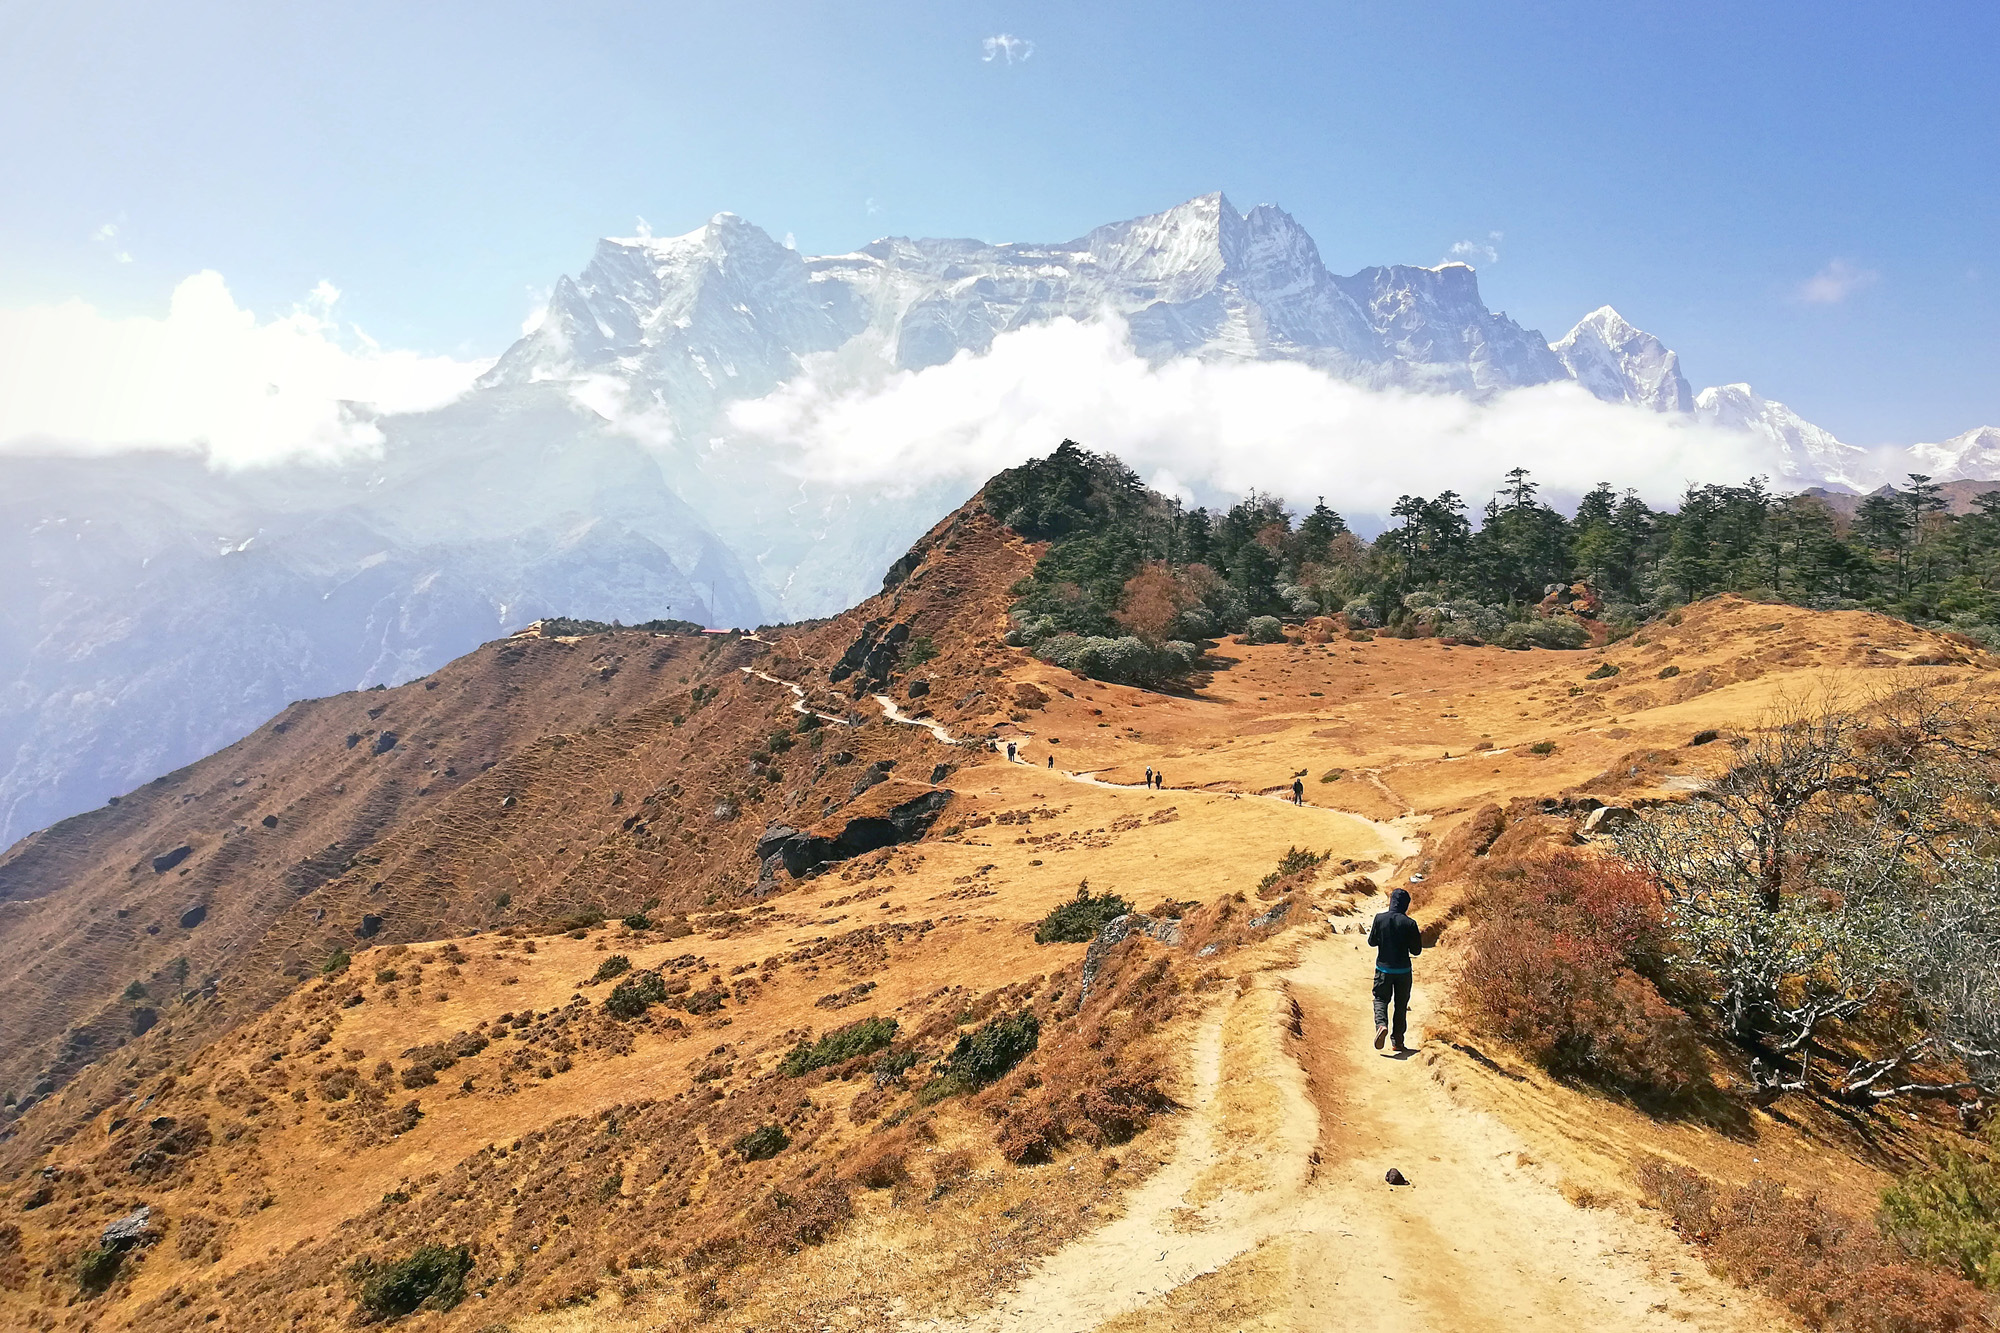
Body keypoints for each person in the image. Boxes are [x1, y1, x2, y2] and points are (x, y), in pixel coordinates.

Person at [1366, 888, 1423, 1053]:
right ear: (1406, 905)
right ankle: (1397, 1041)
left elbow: (1371, 942)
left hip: (1383, 969)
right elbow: (1416, 951)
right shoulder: (1410, 923)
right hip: (1403, 971)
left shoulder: (1379, 918)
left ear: (1391, 902)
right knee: (1401, 1005)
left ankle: (1381, 1025)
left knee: (1380, 999)